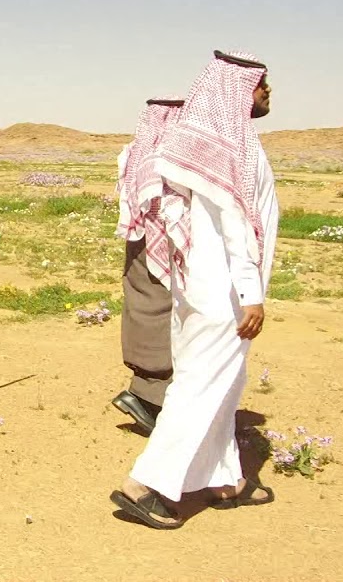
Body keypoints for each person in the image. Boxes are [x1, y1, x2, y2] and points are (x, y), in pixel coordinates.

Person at [110, 51, 280, 529]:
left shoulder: (227, 149)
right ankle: (144, 485)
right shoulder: (228, 155)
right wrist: (251, 293)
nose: (268, 91)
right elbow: (236, 227)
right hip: (223, 296)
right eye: (261, 84)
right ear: (239, 91)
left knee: (223, 386)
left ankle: (225, 481)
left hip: (201, 293)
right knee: (199, 390)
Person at [111, 96, 185, 435]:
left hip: (140, 240)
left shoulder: (135, 152)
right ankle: (152, 400)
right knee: (162, 315)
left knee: (143, 311)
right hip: (164, 243)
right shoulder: (167, 157)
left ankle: (144, 394)